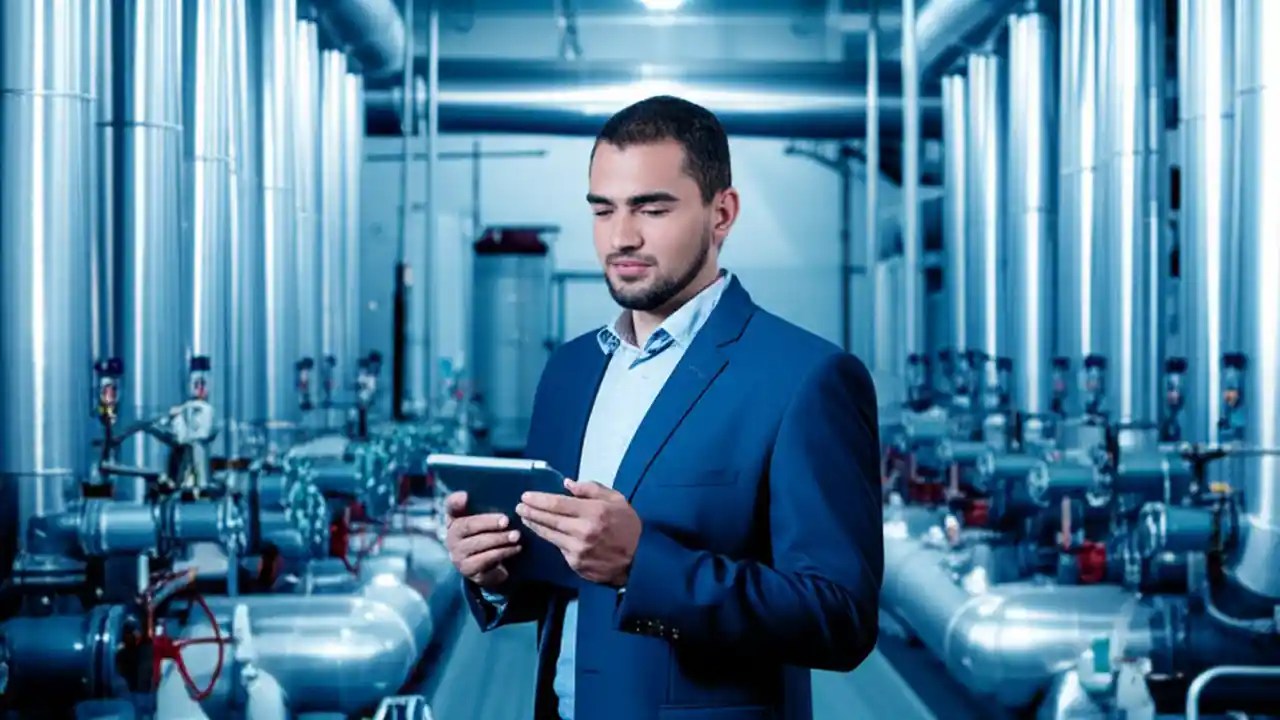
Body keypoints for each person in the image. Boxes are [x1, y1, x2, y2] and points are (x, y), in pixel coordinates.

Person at [444, 95, 883, 720]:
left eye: (652, 208)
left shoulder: (805, 378)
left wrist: (641, 563)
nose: (622, 237)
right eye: (604, 210)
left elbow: (839, 616)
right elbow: (561, 578)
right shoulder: (569, 372)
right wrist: (495, 573)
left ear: (721, 213)